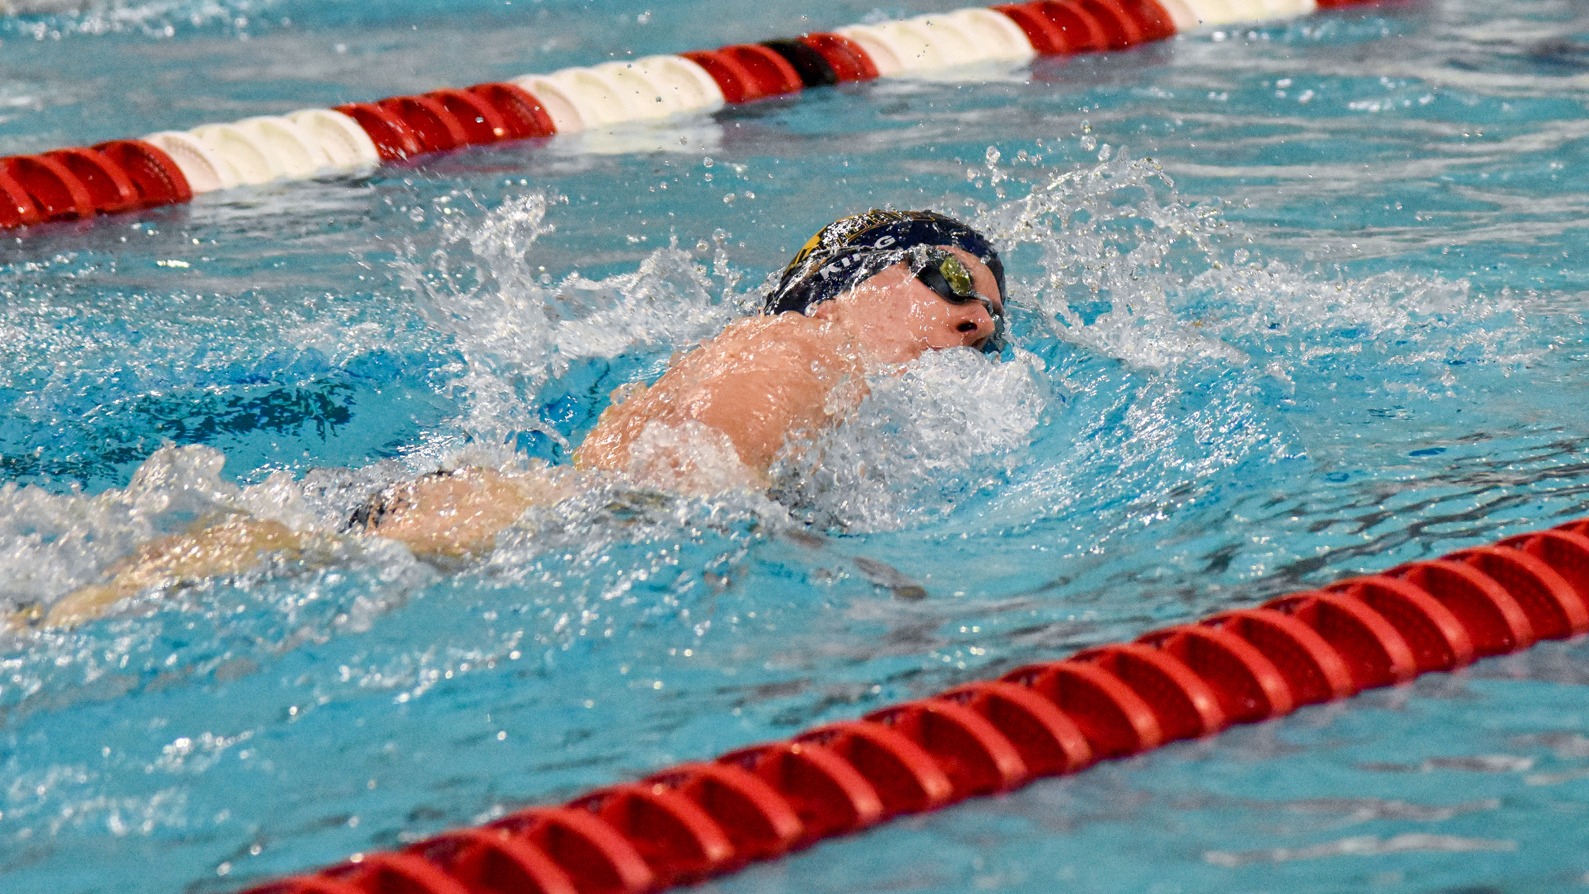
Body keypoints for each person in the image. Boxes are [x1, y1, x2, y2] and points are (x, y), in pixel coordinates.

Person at [27, 209, 1007, 629]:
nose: (978, 318)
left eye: (995, 319)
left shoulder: (790, 366)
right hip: (496, 515)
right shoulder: (785, 351)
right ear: (864, 273)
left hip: (502, 511)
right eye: (954, 278)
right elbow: (695, 497)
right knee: (132, 593)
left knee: (189, 549)